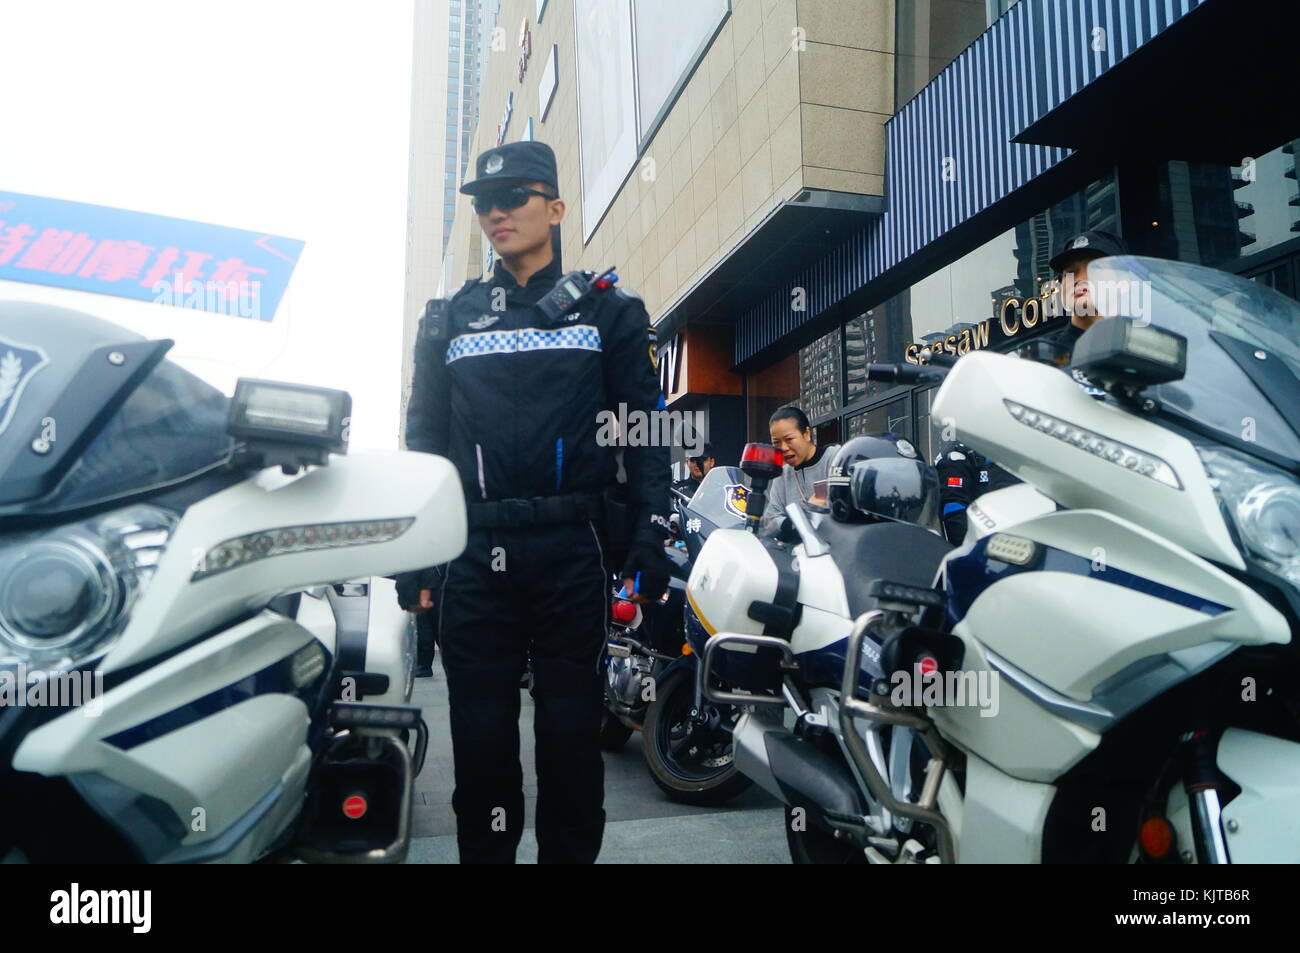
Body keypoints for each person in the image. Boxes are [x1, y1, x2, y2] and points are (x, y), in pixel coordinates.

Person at [400, 140, 671, 864]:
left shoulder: (608, 312)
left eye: (514, 197)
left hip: (570, 551)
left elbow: (645, 432)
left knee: (570, 740)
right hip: (473, 558)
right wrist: (413, 553)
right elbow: (423, 445)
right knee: (483, 746)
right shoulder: (447, 319)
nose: (495, 213)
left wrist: (651, 529)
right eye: (484, 203)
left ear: (554, 207)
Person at [760, 406, 839, 536]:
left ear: (806, 434)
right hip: (796, 552)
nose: (783, 448)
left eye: (789, 439)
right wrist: (795, 522)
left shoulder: (835, 459)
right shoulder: (781, 475)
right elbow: (771, 520)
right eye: (776, 442)